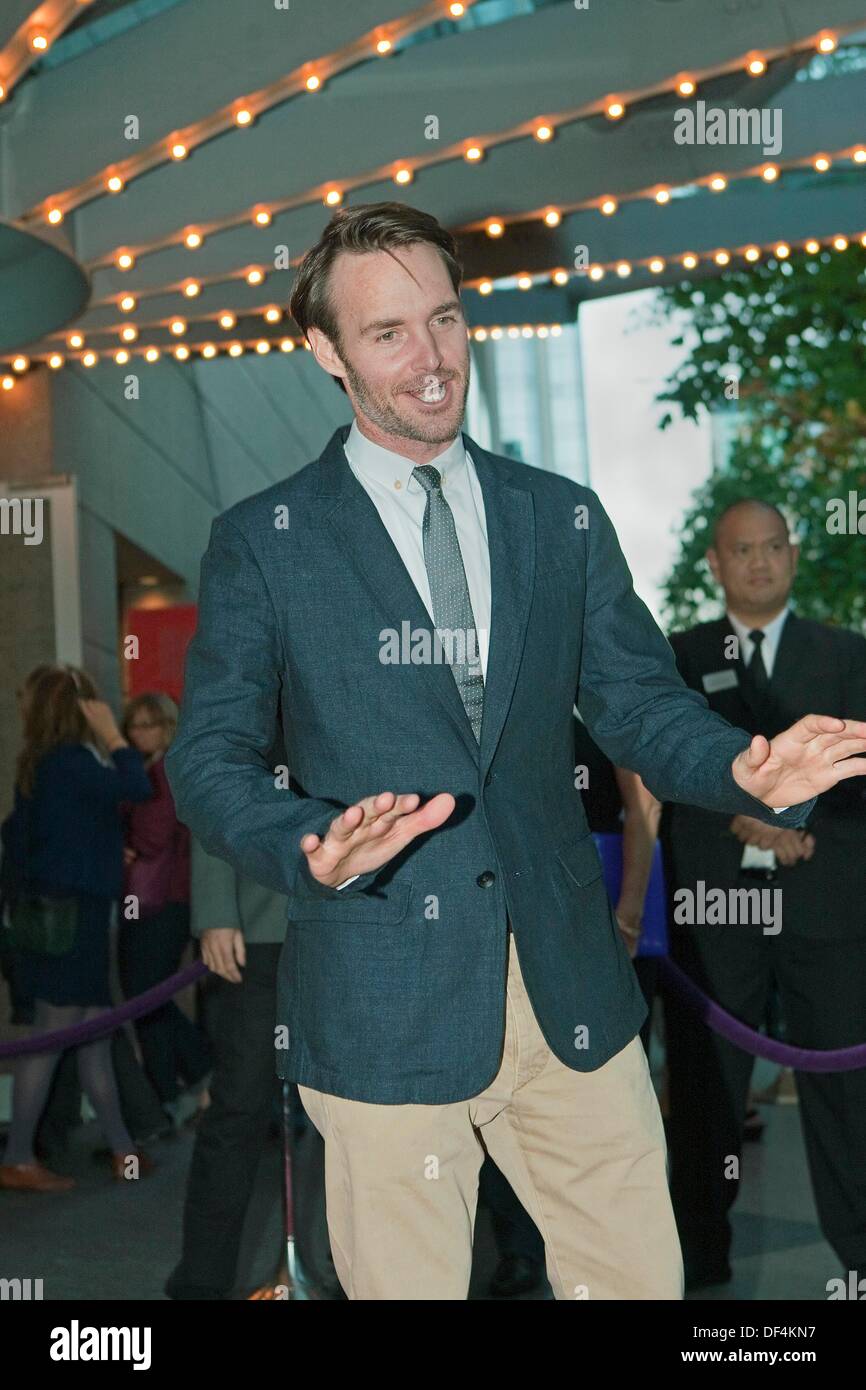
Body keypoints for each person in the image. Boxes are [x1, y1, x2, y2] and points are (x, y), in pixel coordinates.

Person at [165, 201, 866, 1300]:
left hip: (566, 996)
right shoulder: (265, 542)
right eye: (388, 331)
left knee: (637, 1282)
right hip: (382, 995)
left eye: (443, 320)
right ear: (324, 350)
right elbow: (206, 756)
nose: (431, 357)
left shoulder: (558, 518)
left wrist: (738, 764)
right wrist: (308, 841)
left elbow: (636, 702)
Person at [661, 498, 866, 1290]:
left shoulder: (846, 655)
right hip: (713, 914)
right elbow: (660, 774)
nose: (758, 562)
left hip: (828, 908)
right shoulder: (676, 658)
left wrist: (799, 827)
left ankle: (857, 1258)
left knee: (847, 1094)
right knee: (708, 1093)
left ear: (793, 552)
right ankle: (701, 1259)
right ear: (714, 563)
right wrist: (744, 814)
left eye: (772, 546)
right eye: (741, 550)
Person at [0, 665, 155, 1190]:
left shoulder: (43, 764)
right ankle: (19, 1156)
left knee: (92, 1035)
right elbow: (136, 785)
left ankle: (122, 1152)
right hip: (73, 917)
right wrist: (113, 734)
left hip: (65, 913)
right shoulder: (69, 761)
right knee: (54, 1037)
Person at [119, 692, 211, 1123]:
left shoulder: (164, 772)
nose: (139, 733)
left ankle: (188, 1076)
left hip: (163, 900)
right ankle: (179, 1084)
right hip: (162, 899)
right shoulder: (150, 770)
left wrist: (123, 844)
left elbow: (152, 838)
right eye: (134, 724)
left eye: (148, 724)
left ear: (166, 726)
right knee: (148, 997)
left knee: (146, 996)